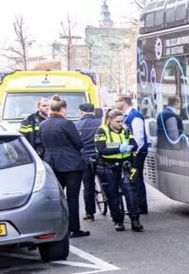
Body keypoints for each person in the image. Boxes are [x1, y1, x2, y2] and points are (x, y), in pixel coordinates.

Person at [40, 96, 90, 239]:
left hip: (52, 164)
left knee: (57, 198)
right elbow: (78, 143)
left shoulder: (44, 124)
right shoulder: (66, 124)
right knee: (72, 198)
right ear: (62, 109)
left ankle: (57, 228)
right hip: (71, 164)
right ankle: (74, 228)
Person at [96, 109, 143, 232]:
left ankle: (135, 220)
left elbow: (135, 144)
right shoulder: (102, 131)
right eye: (117, 121)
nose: (120, 124)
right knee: (113, 195)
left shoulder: (126, 130)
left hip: (125, 165)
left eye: (122, 121)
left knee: (131, 193)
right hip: (108, 166)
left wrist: (130, 147)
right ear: (110, 120)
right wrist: (119, 149)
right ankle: (118, 221)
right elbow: (102, 149)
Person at [114, 95, 149, 216]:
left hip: (137, 153)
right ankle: (139, 205)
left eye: (117, 100)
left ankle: (141, 206)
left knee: (136, 177)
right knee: (134, 177)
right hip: (133, 152)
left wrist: (134, 152)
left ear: (123, 102)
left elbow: (139, 137)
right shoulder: (126, 116)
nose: (115, 102)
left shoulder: (135, 116)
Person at [76, 102, 103, 221]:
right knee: (107, 183)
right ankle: (114, 211)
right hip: (100, 156)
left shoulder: (77, 125)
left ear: (81, 111)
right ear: (93, 111)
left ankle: (89, 214)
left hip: (85, 158)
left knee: (88, 186)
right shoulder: (100, 123)